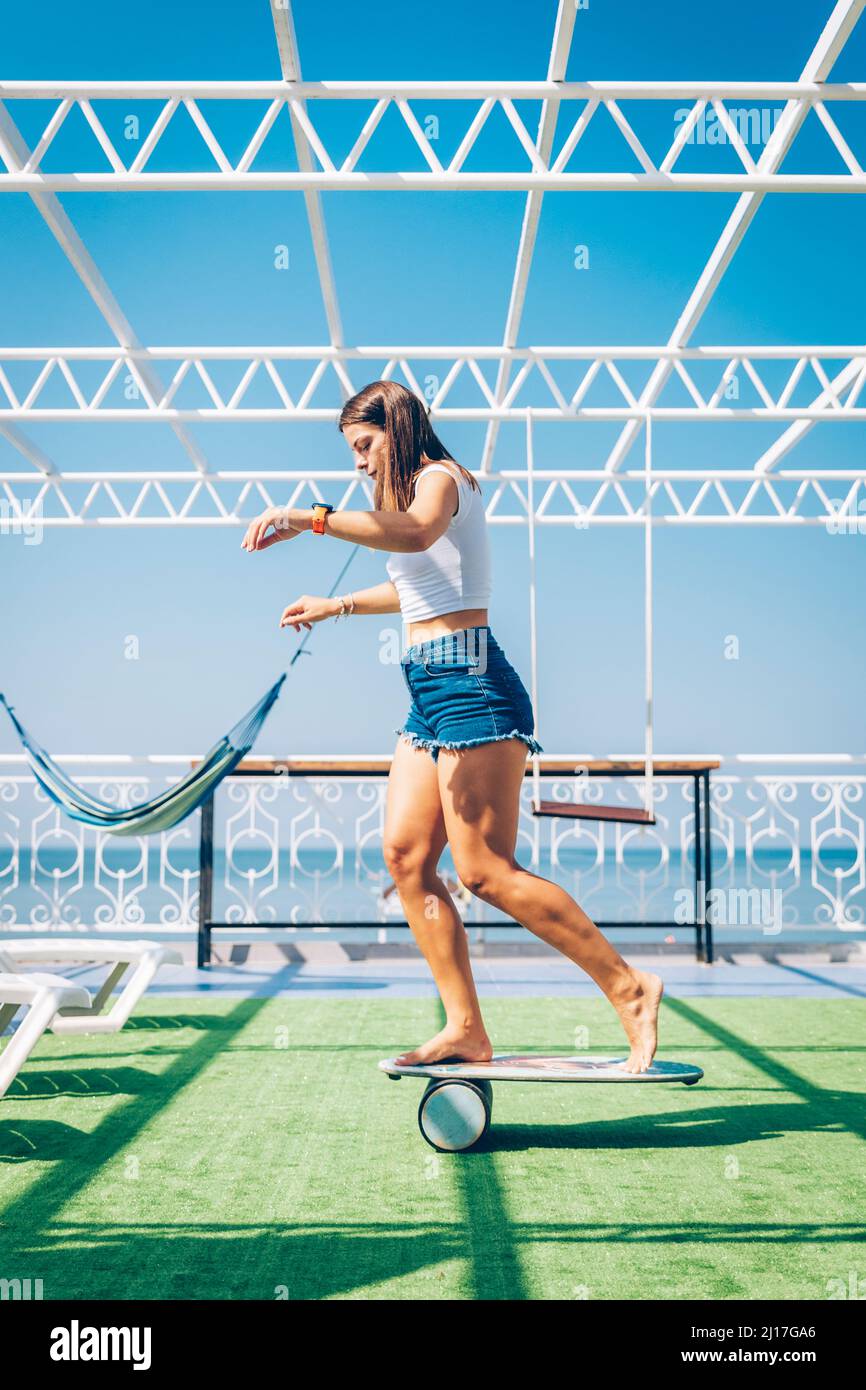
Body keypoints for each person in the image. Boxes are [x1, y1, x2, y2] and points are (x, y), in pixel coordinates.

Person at [241, 380, 662, 1072]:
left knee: (486, 871)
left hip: (473, 686)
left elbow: (415, 534)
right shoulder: (407, 499)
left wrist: (310, 518)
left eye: (365, 446)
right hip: (427, 691)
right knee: (407, 858)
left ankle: (631, 988)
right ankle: (465, 1027)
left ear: (397, 428)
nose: (359, 464)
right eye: (353, 451)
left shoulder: (441, 480)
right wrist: (337, 605)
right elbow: (413, 584)